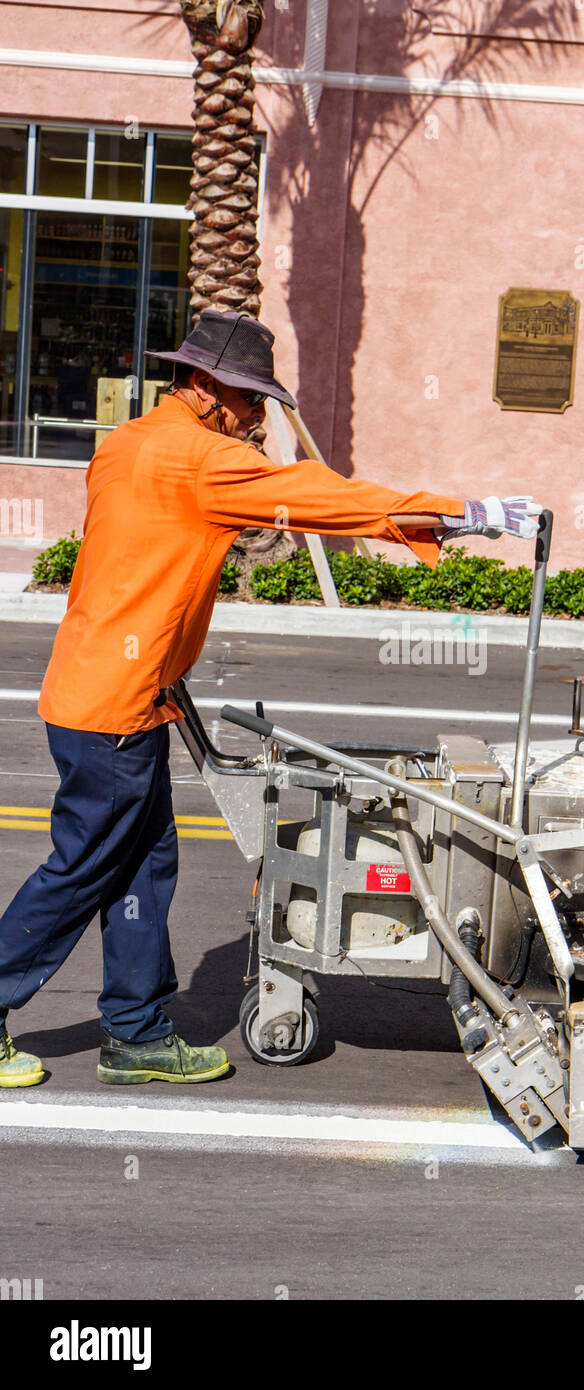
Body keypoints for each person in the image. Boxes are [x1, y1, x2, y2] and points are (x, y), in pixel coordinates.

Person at [0, 310, 540, 1088]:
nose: (258, 419)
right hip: (115, 703)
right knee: (84, 868)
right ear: (209, 387)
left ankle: (137, 1031)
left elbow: (135, 560)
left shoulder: (125, 444)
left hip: (104, 685)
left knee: (142, 866)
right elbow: (322, 497)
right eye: (252, 401)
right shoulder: (204, 459)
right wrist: (457, 513)